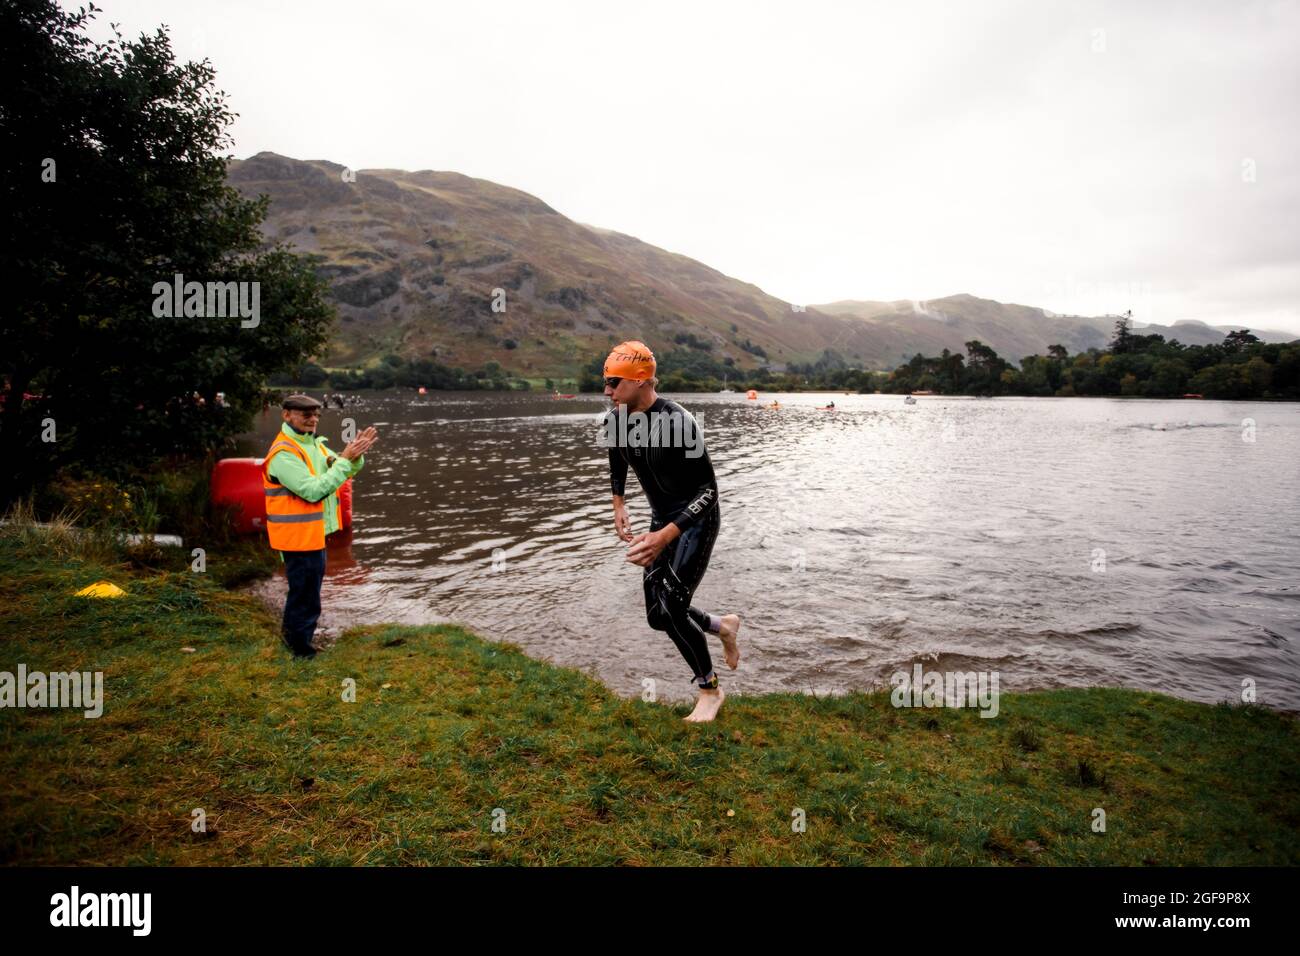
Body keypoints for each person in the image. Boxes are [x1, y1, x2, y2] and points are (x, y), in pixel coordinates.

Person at [601, 341, 741, 722]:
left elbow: (709, 491)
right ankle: (721, 626)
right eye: (606, 383)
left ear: (642, 379)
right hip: (660, 519)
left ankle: (709, 690)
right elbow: (617, 456)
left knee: (673, 605)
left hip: (694, 521)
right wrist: (618, 503)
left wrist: (665, 536)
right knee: (656, 615)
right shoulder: (615, 417)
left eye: (615, 383)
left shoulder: (678, 422)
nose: (608, 391)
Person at [262, 394, 377, 657]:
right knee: (304, 596)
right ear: (287, 415)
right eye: (306, 415)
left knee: (307, 592)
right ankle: (300, 651)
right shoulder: (284, 454)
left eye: (316, 415)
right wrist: (346, 460)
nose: (313, 420)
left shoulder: (314, 445)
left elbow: (343, 470)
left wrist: (354, 456)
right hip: (296, 537)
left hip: (313, 534)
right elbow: (313, 491)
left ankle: (299, 642)